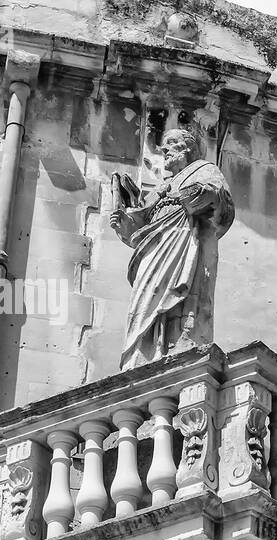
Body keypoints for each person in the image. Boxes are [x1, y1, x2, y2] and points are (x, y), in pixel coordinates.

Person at [109, 128, 234, 368]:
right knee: (144, 299)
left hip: (183, 241)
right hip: (154, 248)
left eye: (171, 144)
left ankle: (174, 346)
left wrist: (200, 195)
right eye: (163, 145)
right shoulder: (158, 189)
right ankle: (140, 352)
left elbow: (223, 204)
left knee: (178, 296)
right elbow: (142, 226)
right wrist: (125, 225)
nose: (164, 150)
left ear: (187, 147)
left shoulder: (204, 171)